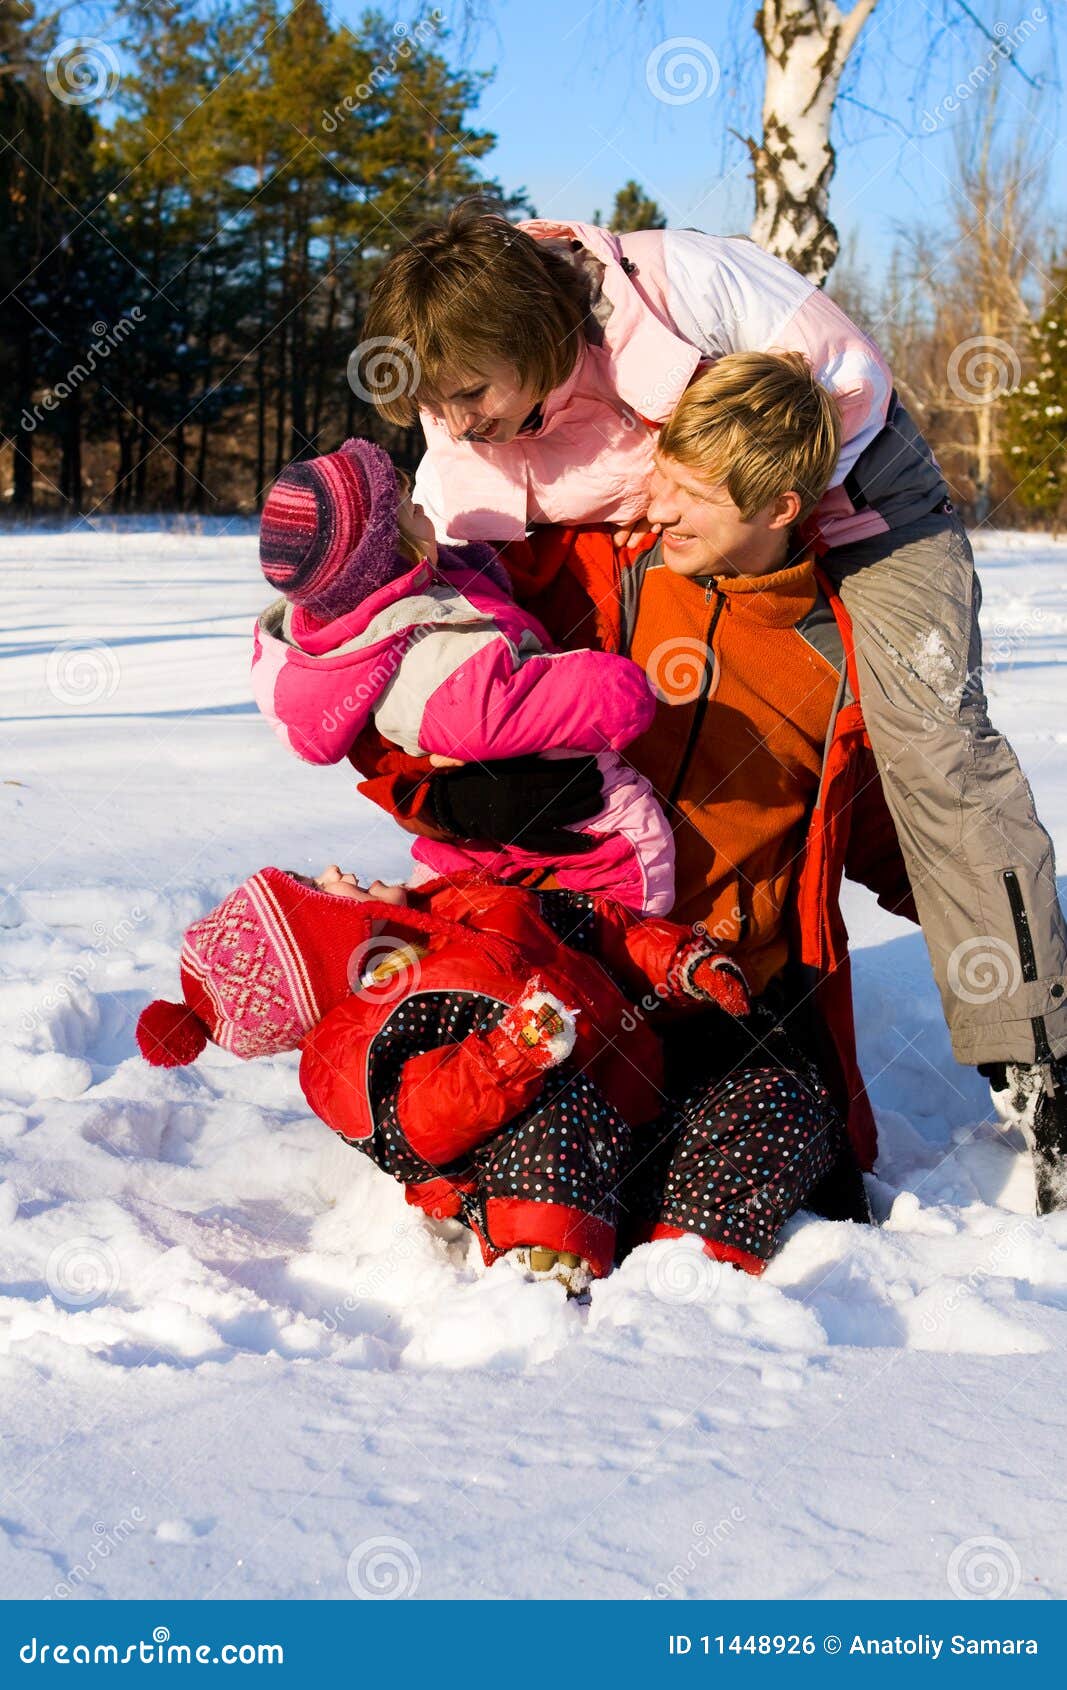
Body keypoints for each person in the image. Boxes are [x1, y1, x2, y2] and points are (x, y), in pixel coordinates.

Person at [362, 202, 1067, 1206]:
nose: (459, 420)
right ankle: (558, 1004)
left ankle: (1039, 1055)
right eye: (441, 402)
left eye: (471, 393)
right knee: (574, 730)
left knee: (927, 752)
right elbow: (453, 566)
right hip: (680, 535)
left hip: (852, 504)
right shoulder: (462, 394)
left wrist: (750, 525)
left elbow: (851, 387)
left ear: (529, 333)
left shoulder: (681, 284)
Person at [135, 862, 839, 1291]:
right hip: (548, 1166)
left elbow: (593, 927)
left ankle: (692, 1249)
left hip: (643, 1105)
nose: (334, 870)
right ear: (322, 945)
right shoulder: (345, 1045)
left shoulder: (462, 908)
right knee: (548, 1108)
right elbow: (420, 1126)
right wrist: (510, 1055)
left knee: (771, 1085)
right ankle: (548, 1263)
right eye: (316, 887)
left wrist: (678, 963)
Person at [251, 436, 673, 915]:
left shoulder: (374, 619)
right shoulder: (427, 656)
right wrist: (627, 687)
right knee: (626, 938)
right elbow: (510, 706)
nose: (428, 516)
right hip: (585, 845)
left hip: (475, 852)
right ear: (389, 558)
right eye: (411, 512)